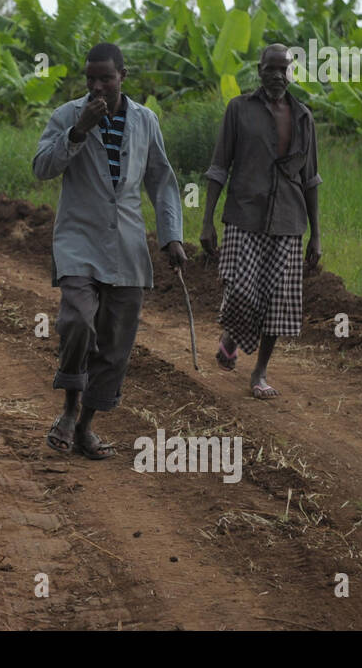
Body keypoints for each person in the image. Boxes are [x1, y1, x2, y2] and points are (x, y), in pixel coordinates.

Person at [33, 43, 186, 459]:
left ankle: (85, 427)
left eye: (106, 78)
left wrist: (171, 236)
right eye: (90, 79)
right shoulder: (68, 115)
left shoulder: (145, 121)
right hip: (78, 238)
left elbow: (161, 180)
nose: (97, 86)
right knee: (78, 321)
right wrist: (78, 131)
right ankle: (67, 410)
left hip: (127, 244)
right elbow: (42, 166)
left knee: (116, 344)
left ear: (123, 76)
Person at [200, 43, 323, 399]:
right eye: (271, 69)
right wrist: (207, 220)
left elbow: (311, 179)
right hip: (243, 214)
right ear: (259, 70)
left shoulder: (303, 117)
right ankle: (231, 336)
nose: (277, 76)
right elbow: (219, 165)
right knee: (240, 290)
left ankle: (260, 372)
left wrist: (316, 234)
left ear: (291, 73)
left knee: (278, 302)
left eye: (283, 69)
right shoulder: (239, 109)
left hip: (288, 219)